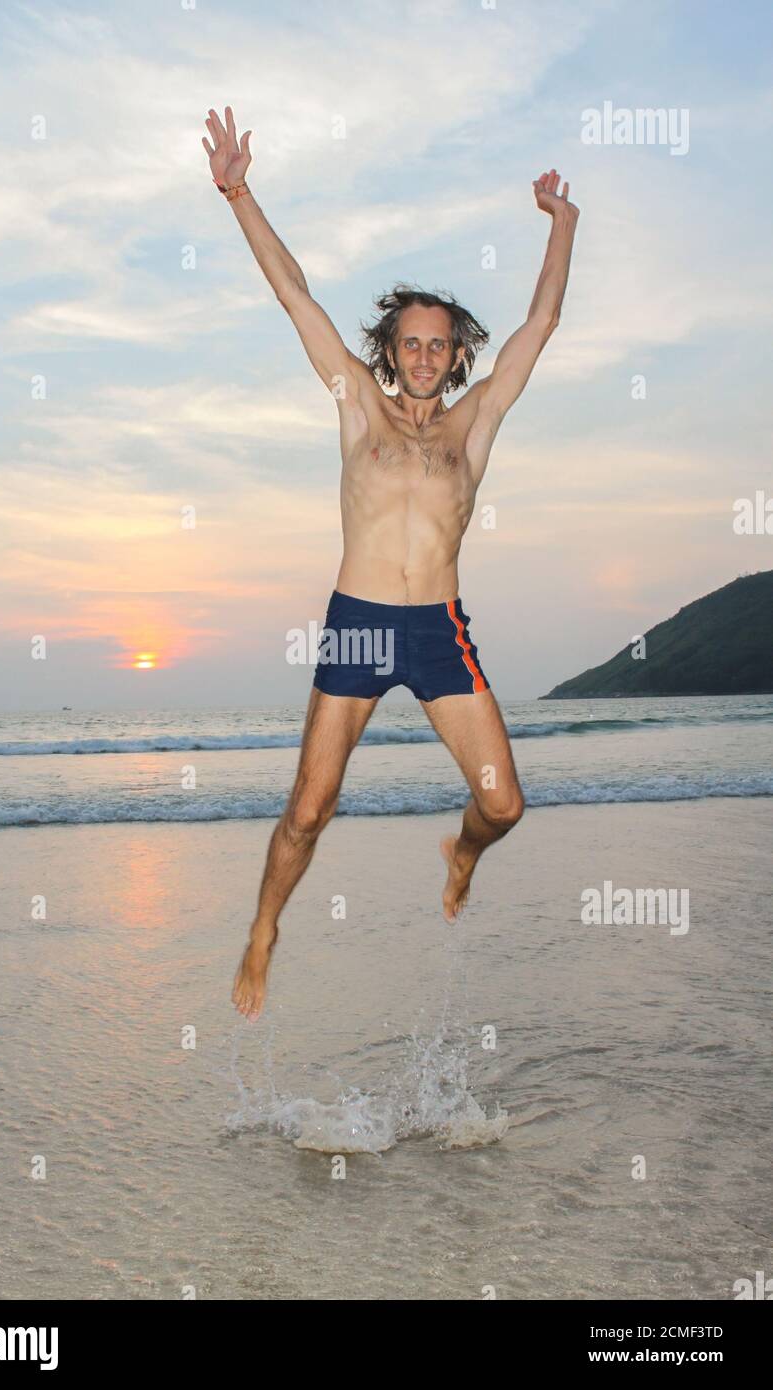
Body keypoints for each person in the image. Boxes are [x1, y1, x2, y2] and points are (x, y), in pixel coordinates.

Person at [202, 105, 579, 1021]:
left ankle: (462, 854)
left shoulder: (471, 425)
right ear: (391, 350)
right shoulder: (358, 408)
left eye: (437, 343)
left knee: (505, 806)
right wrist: (240, 192)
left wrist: (563, 224)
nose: (421, 354)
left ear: (455, 357)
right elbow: (297, 296)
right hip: (362, 623)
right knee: (308, 808)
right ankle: (263, 929)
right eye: (408, 341)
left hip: (439, 631)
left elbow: (541, 325)